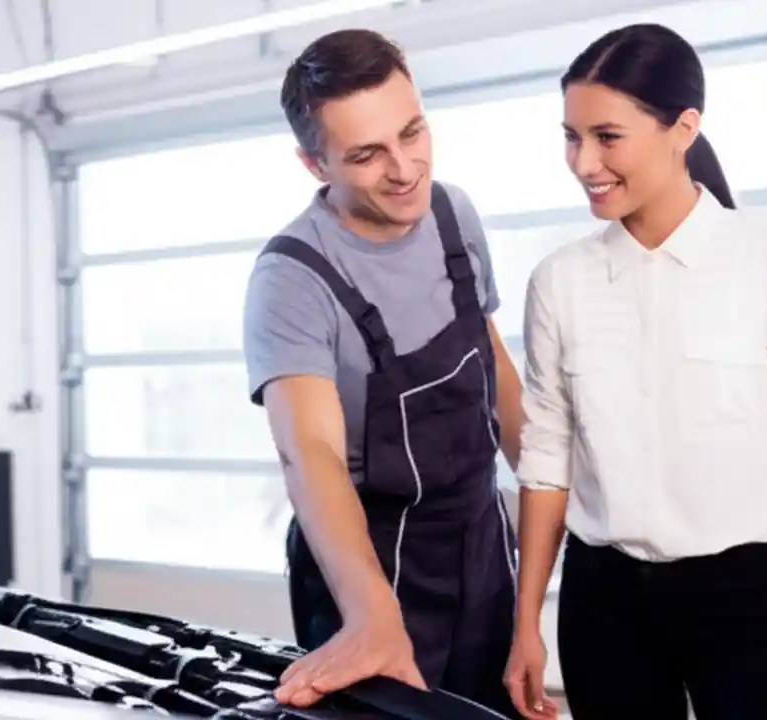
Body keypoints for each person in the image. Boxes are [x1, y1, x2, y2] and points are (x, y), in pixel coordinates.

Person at [503, 22, 767, 720]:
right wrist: (528, 622)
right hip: (602, 600)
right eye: (570, 136)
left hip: (745, 596)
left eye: (607, 137)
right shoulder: (560, 280)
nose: (584, 162)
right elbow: (546, 457)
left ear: (684, 127)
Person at [242, 28, 526, 717]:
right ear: (316, 164)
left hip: (482, 538)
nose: (404, 170)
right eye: (367, 155)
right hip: (371, 559)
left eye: (413, 133)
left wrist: (569, 505)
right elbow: (308, 452)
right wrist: (371, 617)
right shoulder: (292, 277)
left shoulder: (454, 215)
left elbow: (495, 368)